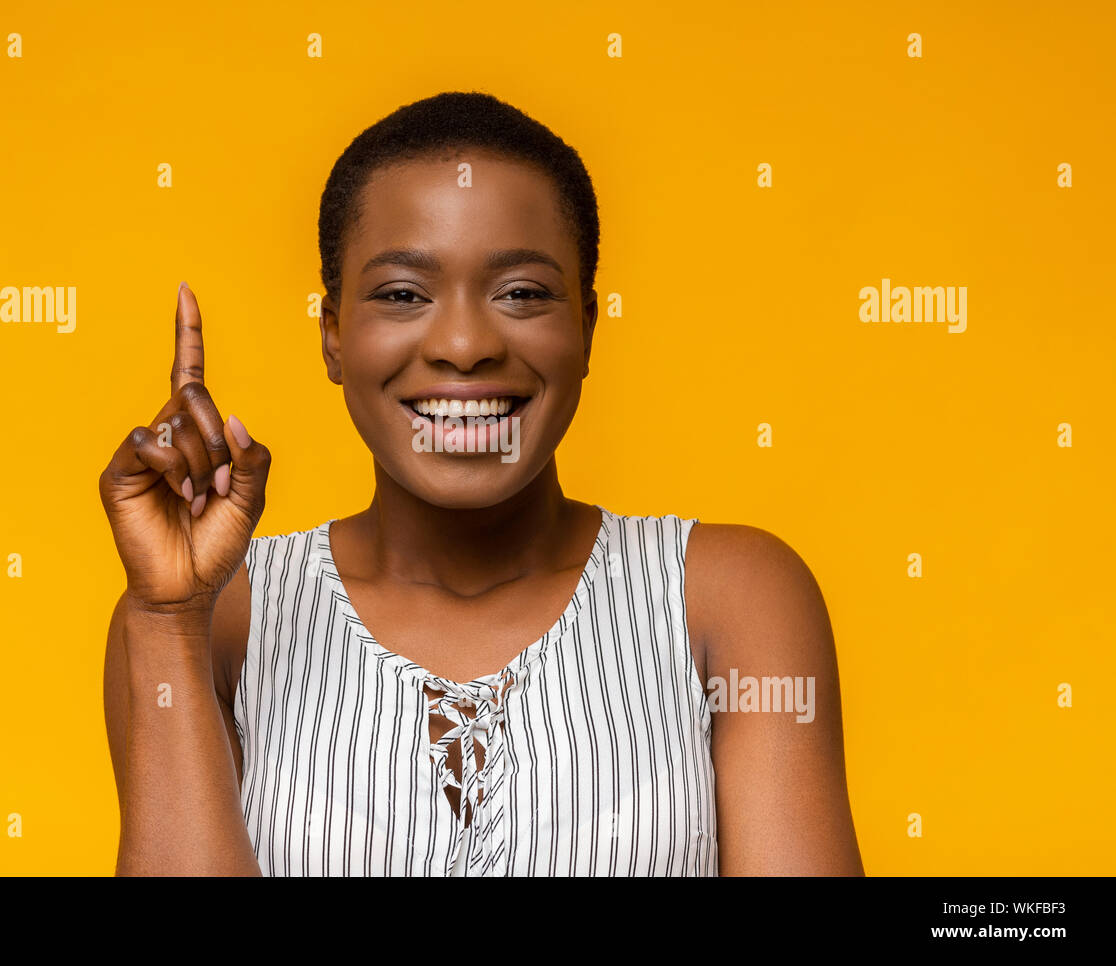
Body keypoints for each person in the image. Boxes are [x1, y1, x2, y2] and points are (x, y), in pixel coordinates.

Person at [99, 91, 864, 876]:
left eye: (522, 293)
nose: (464, 345)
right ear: (332, 335)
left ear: (588, 327)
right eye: (402, 294)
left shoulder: (733, 598)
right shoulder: (218, 617)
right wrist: (166, 619)